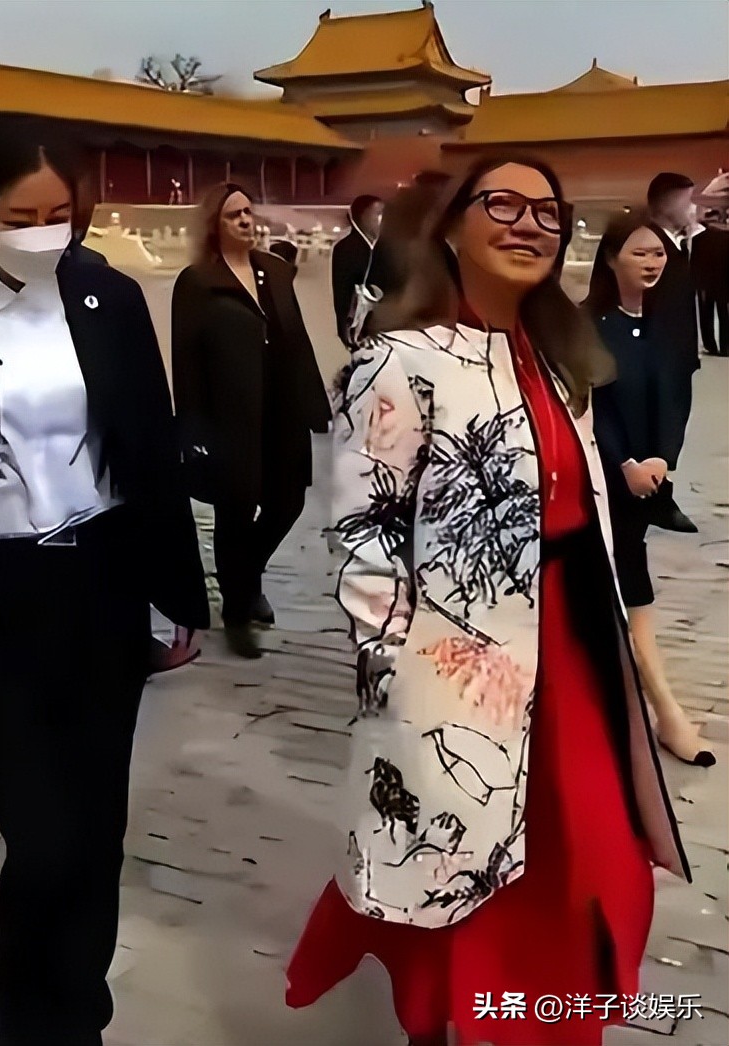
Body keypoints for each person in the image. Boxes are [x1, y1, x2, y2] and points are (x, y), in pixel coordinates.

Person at [286, 156, 689, 1046]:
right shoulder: (398, 359)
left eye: (548, 211)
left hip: (576, 642)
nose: (529, 224)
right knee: (467, 860)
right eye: (501, 204)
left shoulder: (559, 352)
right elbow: (362, 531)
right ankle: (466, 1019)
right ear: (455, 225)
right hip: (459, 665)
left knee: (599, 860)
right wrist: (394, 669)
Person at [0, 125, 208, 1046]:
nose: (46, 232)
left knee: (97, 831)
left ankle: (77, 1015)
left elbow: (149, 452)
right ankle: (25, 1005)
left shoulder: (110, 296)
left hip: (96, 585)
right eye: (23, 217)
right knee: (46, 836)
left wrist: (181, 593)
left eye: (63, 215)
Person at [172, 182, 331, 658]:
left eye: (248, 212)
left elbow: (298, 339)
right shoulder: (198, 282)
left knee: (288, 503)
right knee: (235, 513)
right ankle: (239, 612)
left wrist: (315, 404)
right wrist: (193, 430)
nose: (246, 221)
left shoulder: (275, 272)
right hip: (230, 416)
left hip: (282, 408)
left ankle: (245, 579)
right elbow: (186, 360)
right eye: (234, 215)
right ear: (213, 226)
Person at [584, 211, 716, 768]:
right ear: (611, 258)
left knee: (631, 584)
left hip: (648, 482)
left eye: (658, 252)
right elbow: (591, 405)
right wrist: (625, 464)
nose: (651, 262)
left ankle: (649, 702)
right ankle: (664, 710)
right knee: (622, 583)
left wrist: (664, 457)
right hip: (604, 481)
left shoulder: (668, 324)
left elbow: (678, 399)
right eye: (639, 253)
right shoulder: (589, 323)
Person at [644, 172, 701, 532]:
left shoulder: (676, 244)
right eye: (687, 201)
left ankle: (659, 495)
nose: (692, 208)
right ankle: (656, 500)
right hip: (656, 356)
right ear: (668, 205)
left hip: (676, 356)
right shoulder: (648, 245)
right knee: (656, 429)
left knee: (670, 429)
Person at [331, 194, 382, 343]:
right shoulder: (347, 248)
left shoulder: (376, 248)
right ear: (363, 217)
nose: (383, 220)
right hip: (358, 329)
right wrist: (344, 328)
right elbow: (341, 294)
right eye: (378, 214)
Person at [692, 207, 729, 357]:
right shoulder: (727, 236)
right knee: (724, 314)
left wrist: (694, 281)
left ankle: (711, 345)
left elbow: (695, 261)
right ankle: (725, 346)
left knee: (706, 314)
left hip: (705, 282)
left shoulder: (699, 237)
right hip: (724, 281)